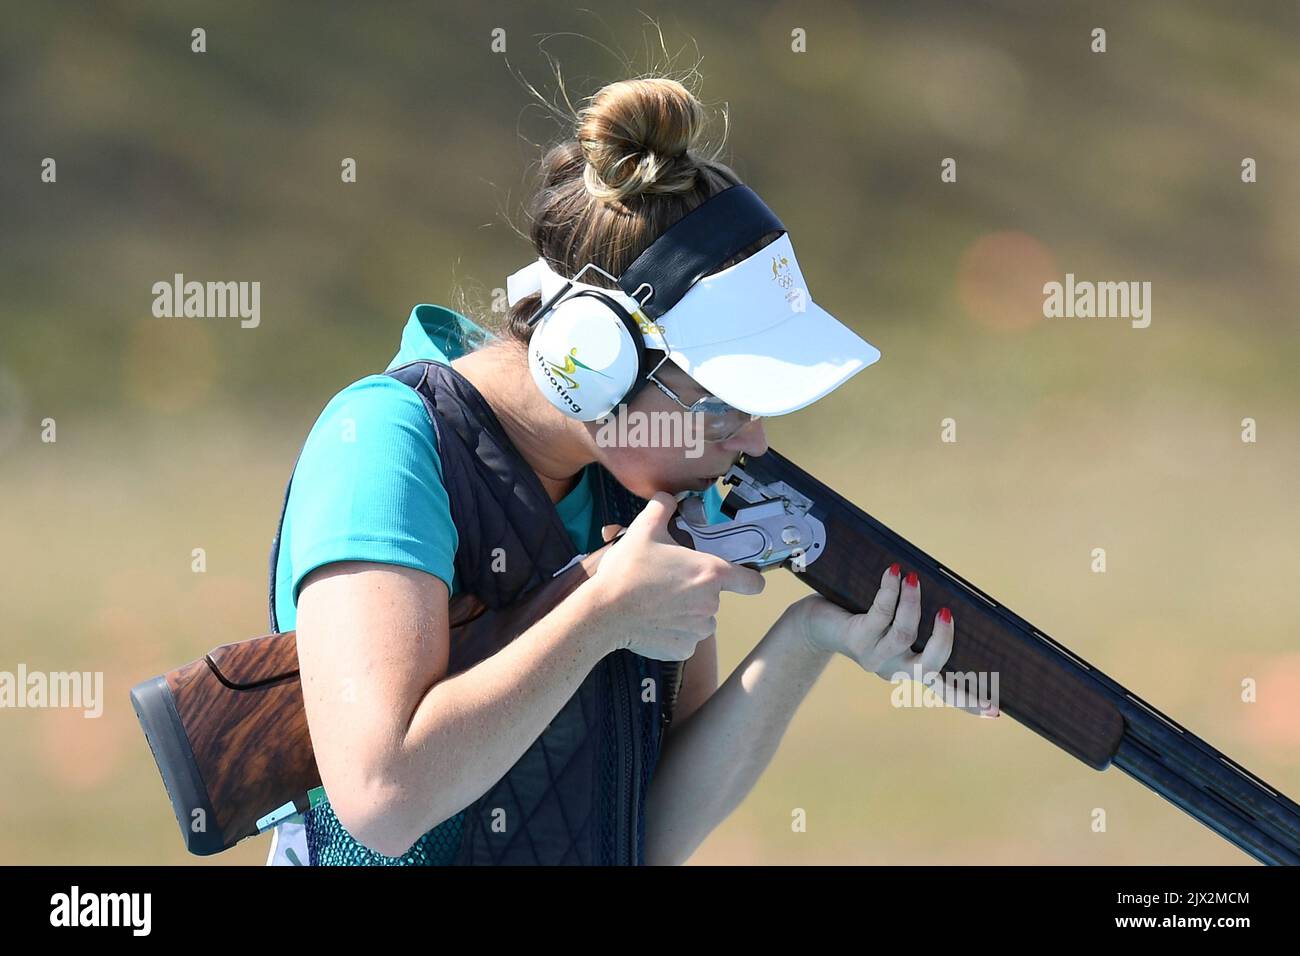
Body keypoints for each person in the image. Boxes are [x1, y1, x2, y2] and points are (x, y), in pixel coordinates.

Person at [265, 76, 993, 867]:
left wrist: (810, 638)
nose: (751, 440)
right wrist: (602, 613)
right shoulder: (384, 445)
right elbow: (381, 799)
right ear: (597, 364)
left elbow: (647, 835)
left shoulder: (641, 490)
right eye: (720, 405)